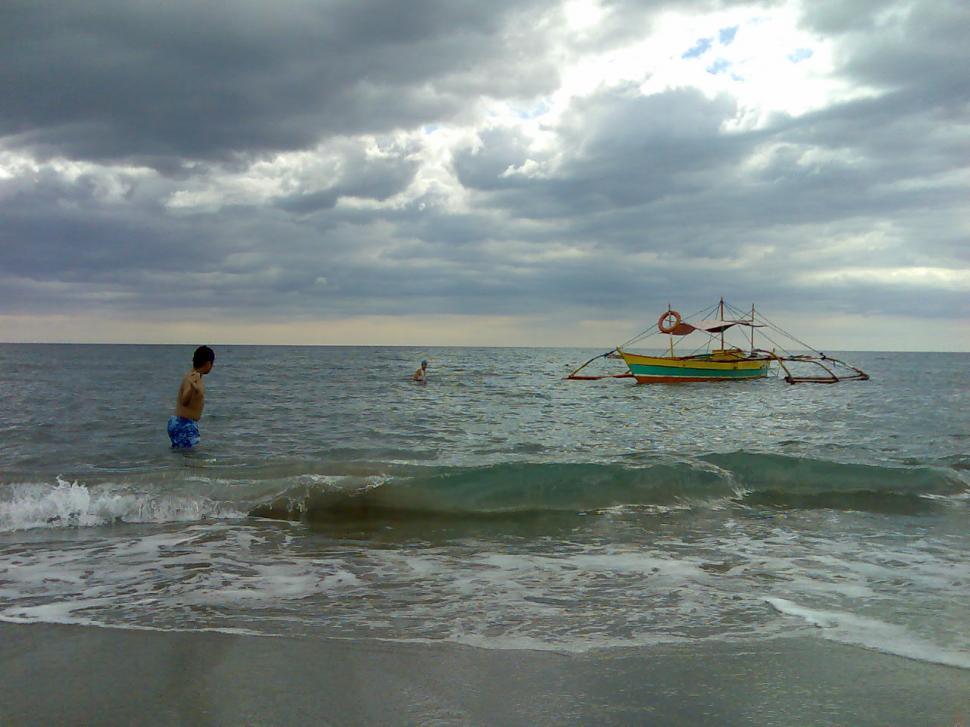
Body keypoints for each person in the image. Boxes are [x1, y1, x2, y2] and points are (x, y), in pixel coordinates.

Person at [167, 346, 215, 448]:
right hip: (184, 424)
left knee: (181, 454)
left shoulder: (192, 376)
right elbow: (184, 400)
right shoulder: (193, 378)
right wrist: (193, 388)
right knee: (190, 456)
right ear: (208, 363)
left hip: (179, 423)